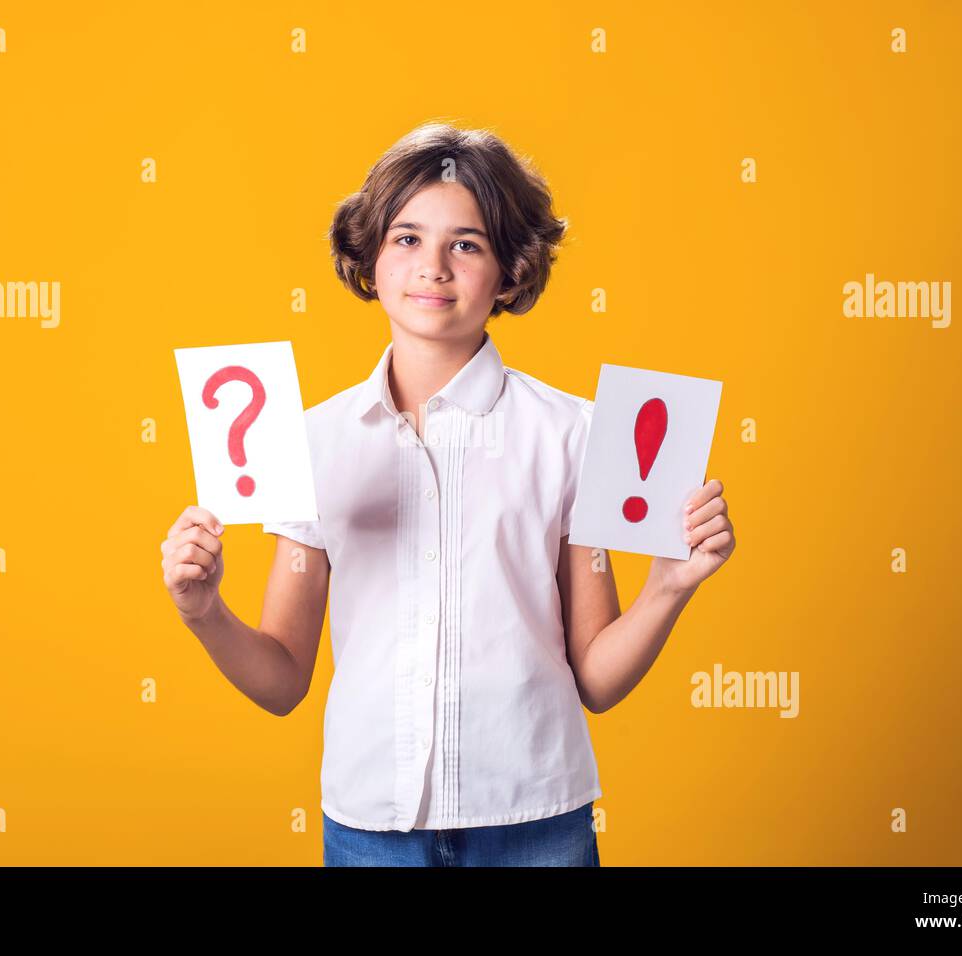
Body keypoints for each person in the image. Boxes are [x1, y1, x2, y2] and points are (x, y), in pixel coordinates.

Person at [160, 123, 736, 866]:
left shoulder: (572, 436)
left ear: (509, 271)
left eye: (465, 244)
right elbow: (282, 679)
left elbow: (595, 677)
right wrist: (202, 611)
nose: (431, 267)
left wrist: (669, 586)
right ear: (369, 258)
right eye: (406, 239)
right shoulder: (310, 442)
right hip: (371, 831)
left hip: (538, 826)